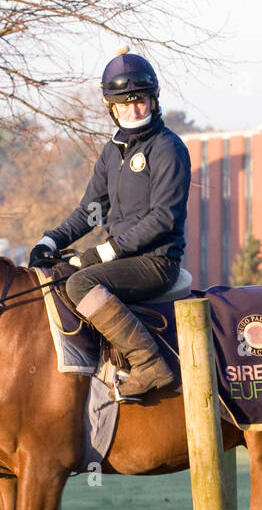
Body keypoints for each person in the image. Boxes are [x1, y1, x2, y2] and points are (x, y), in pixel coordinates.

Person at [28, 48, 191, 398]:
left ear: (152, 100)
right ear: (112, 108)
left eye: (140, 101)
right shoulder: (112, 151)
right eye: (124, 104)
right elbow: (91, 210)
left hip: (157, 261)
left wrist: (102, 253)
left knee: (80, 284)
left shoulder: (168, 148)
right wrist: (51, 242)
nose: (133, 110)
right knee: (58, 278)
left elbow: (164, 218)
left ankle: (149, 363)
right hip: (124, 259)